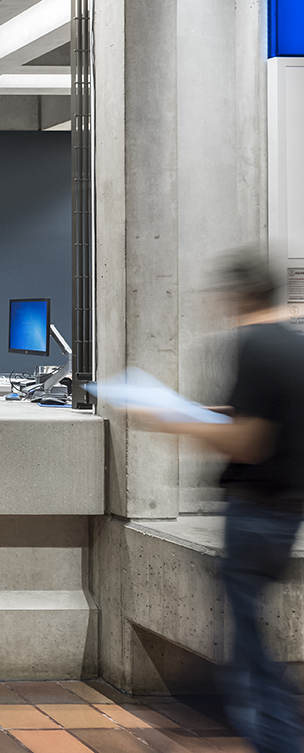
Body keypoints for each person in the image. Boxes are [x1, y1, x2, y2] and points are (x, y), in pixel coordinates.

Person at [133, 251, 304, 753]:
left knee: (250, 647)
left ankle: (280, 737)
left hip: (256, 512)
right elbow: (254, 413)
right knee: (248, 640)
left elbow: (248, 441)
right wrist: (194, 409)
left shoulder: (253, 344)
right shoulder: (292, 345)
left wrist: (170, 421)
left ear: (237, 295)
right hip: (287, 509)